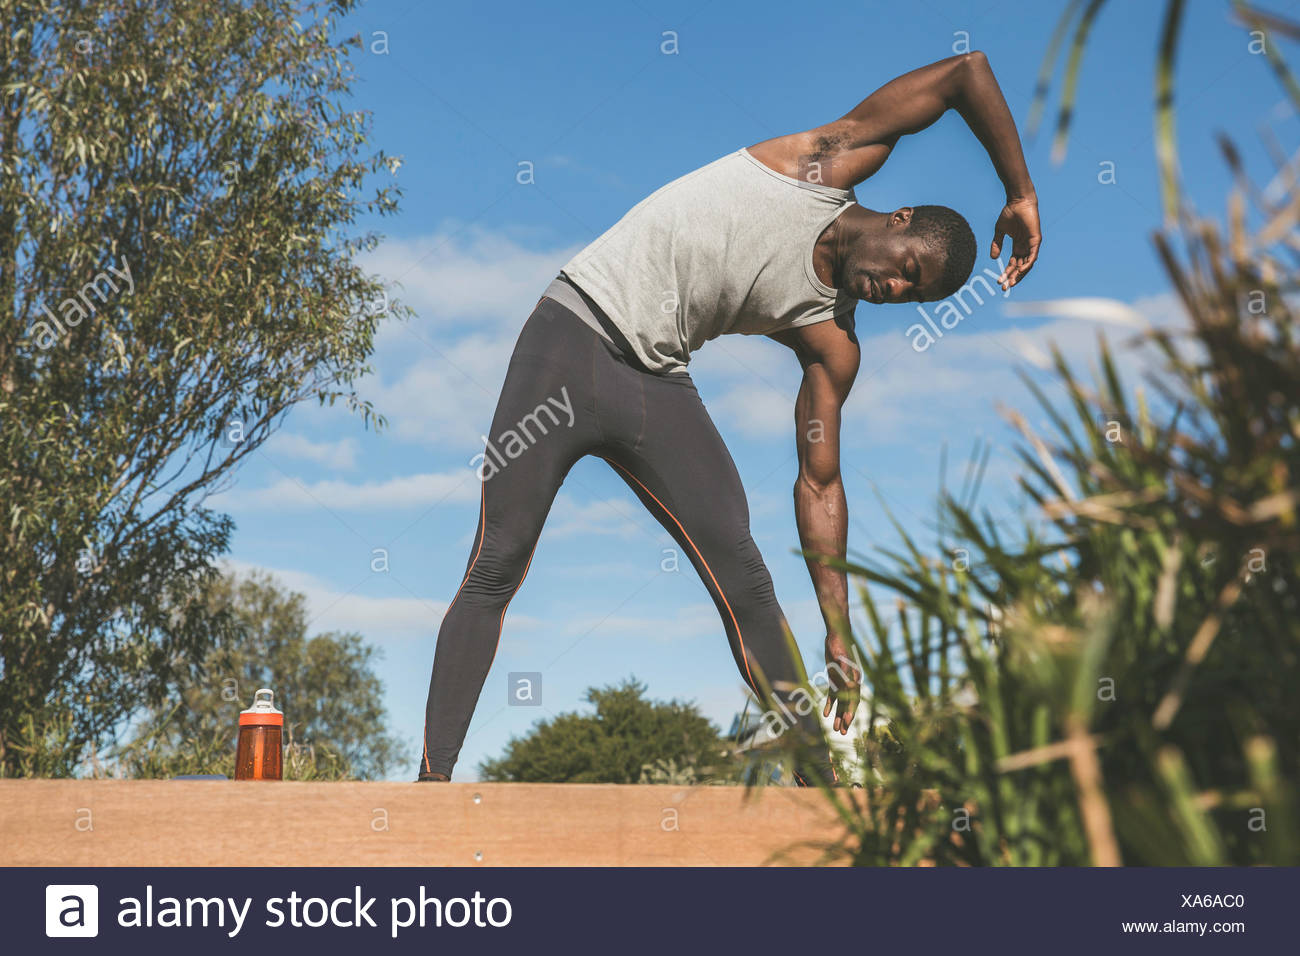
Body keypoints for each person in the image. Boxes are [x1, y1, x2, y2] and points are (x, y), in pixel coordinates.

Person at [417, 51, 1041, 784]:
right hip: (570, 338)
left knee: (745, 573)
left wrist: (839, 634)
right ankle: (432, 788)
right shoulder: (823, 163)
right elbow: (966, 72)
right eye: (908, 266)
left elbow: (819, 485)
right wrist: (1020, 191)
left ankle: (820, 788)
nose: (895, 287)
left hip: (655, 384)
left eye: (911, 296)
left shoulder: (832, 341)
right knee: (497, 561)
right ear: (900, 218)